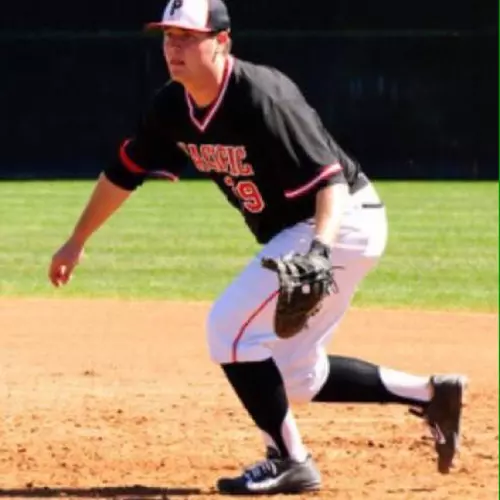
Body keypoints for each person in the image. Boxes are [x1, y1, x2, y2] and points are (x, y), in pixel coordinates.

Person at [48, 0, 467, 495]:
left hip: (337, 221)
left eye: (187, 37)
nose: (174, 47)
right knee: (291, 379)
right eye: (168, 36)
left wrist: (317, 251)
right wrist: (77, 240)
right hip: (308, 230)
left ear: (221, 42)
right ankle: (432, 393)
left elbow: (329, 182)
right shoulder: (171, 106)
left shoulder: (264, 97)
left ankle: (291, 460)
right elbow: (125, 171)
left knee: (228, 328)